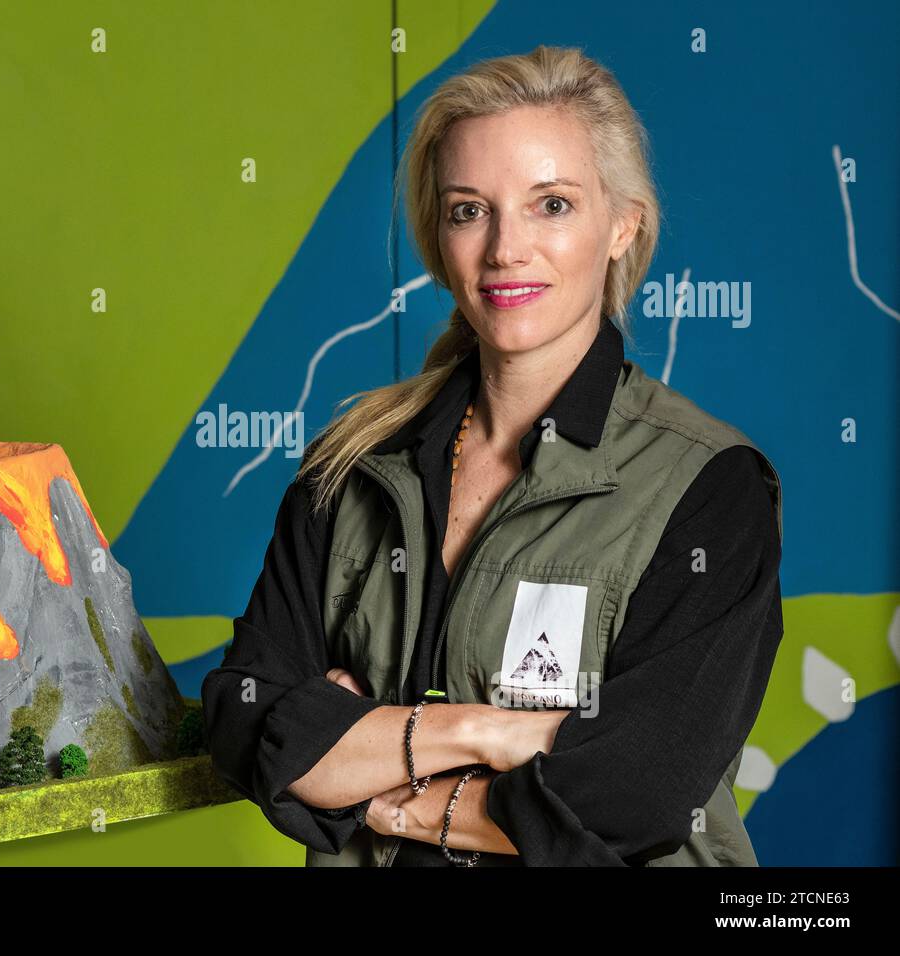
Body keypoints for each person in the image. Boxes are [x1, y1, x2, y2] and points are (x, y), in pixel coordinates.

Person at [201, 45, 783, 867]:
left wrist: (378, 788)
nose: (506, 248)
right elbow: (246, 715)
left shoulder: (710, 488)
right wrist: (483, 730)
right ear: (441, 235)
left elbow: (637, 795)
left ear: (623, 225)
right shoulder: (353, 466)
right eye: (470, 209)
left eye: (551, 204)